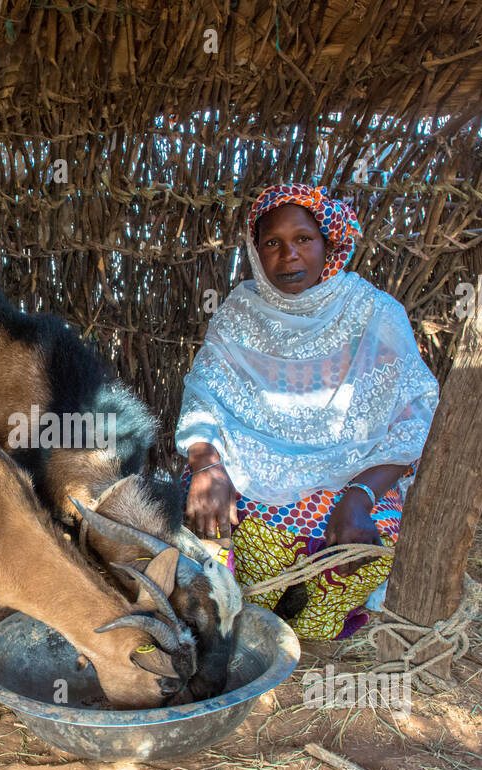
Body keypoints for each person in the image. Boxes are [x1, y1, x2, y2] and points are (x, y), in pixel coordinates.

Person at [176, 184, 439, 642]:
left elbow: (414, 419)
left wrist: (358, 497)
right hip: (251, 472)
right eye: (272, 243)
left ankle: (316, 625)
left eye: (303, 239)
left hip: (355, 479)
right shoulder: (240, 313)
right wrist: (207, 465)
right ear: (256, 252)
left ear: (328, 242)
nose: (288, 256)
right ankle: (242, 618)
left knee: (367, 542)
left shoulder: (373, 314)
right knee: (215, 517)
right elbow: (204, 396)